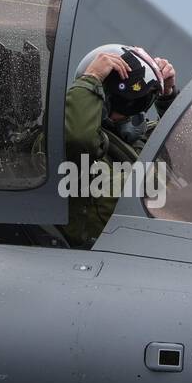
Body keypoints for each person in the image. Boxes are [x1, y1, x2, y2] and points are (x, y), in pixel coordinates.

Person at [56, 44, 178, 247]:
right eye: (125, 102)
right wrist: (92, 78)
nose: (133, 114)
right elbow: (79, 139)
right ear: (101, 99)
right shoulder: (63, 140)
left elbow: (189, 153)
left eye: (142, 103)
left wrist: (167, 97)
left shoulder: (132, 142)